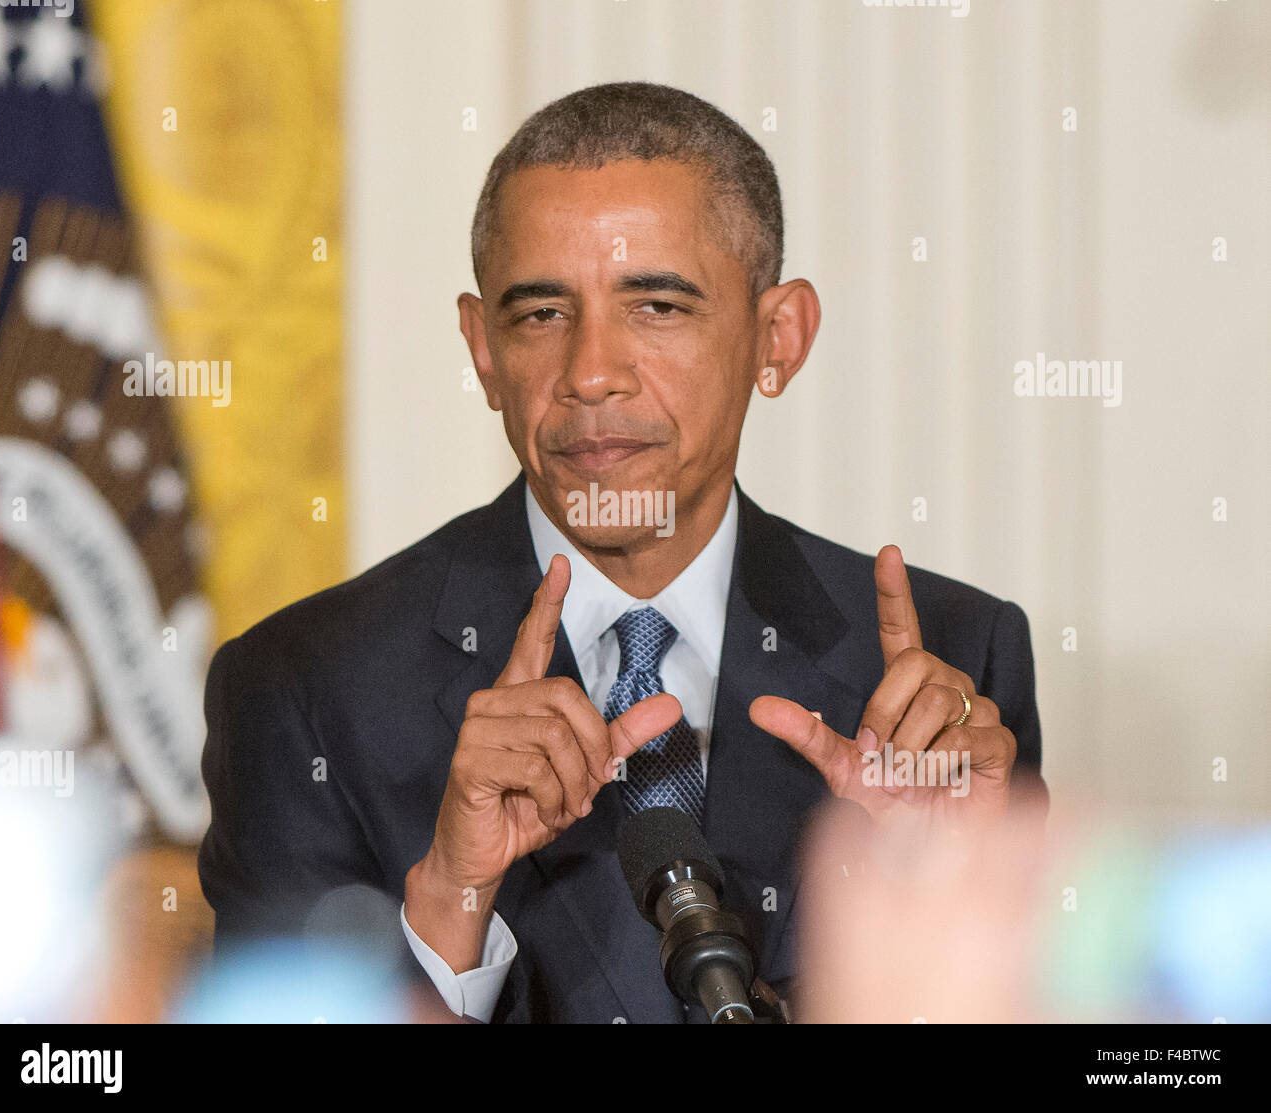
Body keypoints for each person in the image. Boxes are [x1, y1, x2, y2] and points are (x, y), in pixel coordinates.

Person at [198, 81, 1043, 1023]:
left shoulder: (955, 662)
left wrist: (947, 892)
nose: (591, 372)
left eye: (657, 306)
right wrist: (448, 905)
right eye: (540, 315)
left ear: (779, 337)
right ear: (483, 352)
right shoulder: (304, 690)